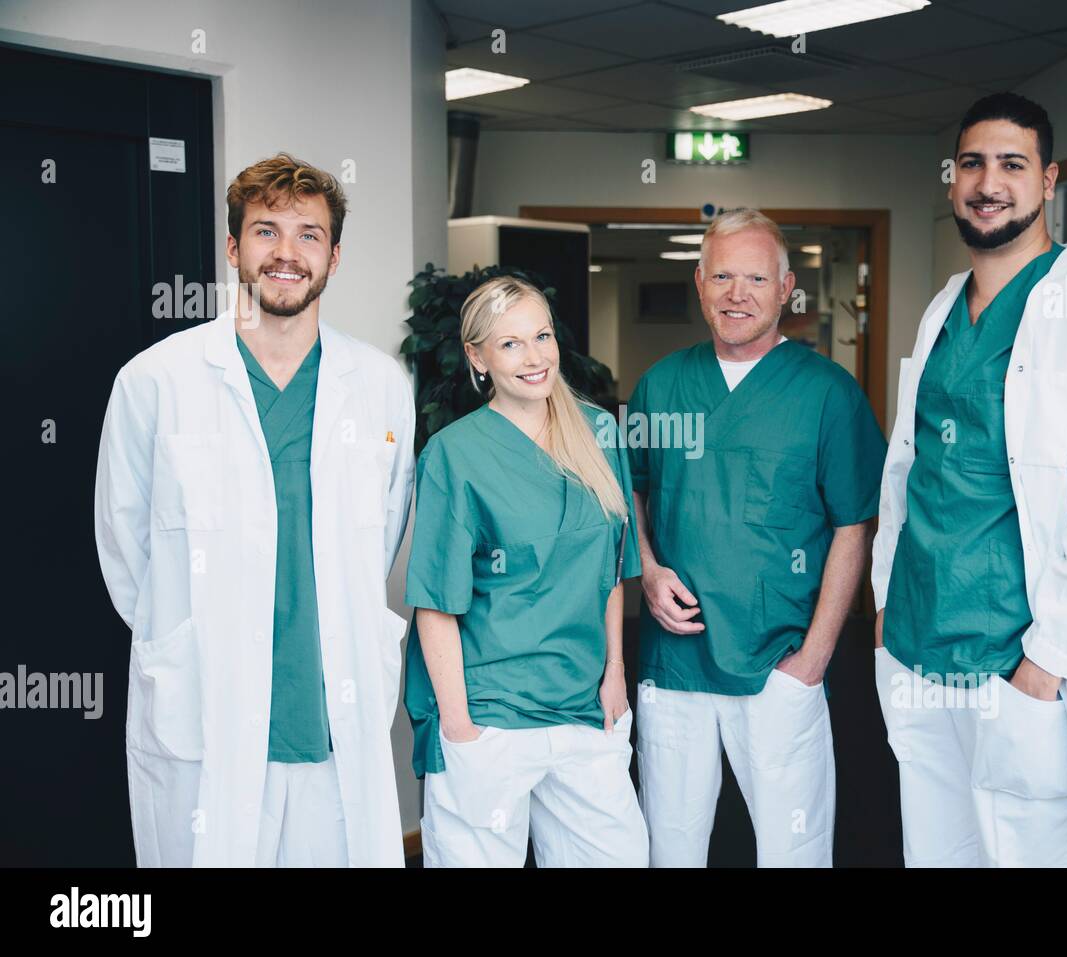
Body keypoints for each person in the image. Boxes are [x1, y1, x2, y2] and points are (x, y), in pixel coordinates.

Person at [94, 153, 415, 867]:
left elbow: (383, 531)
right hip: (203, 711)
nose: (287, 253)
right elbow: (124, 550)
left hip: (332, 719)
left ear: (334, 256)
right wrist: (182, 635)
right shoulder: (156, 381)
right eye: (266, 231)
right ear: (234, 247)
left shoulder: (381, 385)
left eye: (308, 234)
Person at [872, 93, 1067, 867]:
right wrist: (883, 606)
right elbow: (908, 471)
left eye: (1012, 163)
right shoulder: (942, 307)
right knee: (936, 850)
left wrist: (1047, 661)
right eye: (972, 163)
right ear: (952, 179)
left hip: (1018, 659)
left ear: (1049, 180)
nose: (988, 181)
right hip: (917, 642)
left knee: (1023, 853)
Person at [628, 208, 887, 867]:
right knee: (670, 845)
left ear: (785, 286)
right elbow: (626, 489)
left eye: (754, 277)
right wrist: (648, 568)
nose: (736, 293)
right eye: (721, 276)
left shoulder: (827, 393)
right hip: (675, 661)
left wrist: (815, 659)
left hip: (780, 657)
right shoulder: (662, 386)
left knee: (792, 848)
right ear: (699, 282)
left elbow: (853, 525)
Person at [405, 276, 648, 868]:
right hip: (490, 713)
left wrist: (615, 671)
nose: (534, 357)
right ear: (477, 357)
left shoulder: (599, 434)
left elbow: (611, 568)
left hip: (586, 707)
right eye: (510, 343)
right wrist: (459, 725)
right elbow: (436, 603)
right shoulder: (454, 456)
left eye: (541, 336)